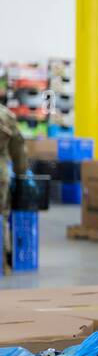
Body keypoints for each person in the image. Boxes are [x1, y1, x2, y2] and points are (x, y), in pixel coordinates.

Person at [0, 104, 29, 269]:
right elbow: (18, 147)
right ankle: (3, 261)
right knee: (2, 216)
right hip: (1, 173)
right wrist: (21, 173)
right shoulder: (6, 115)